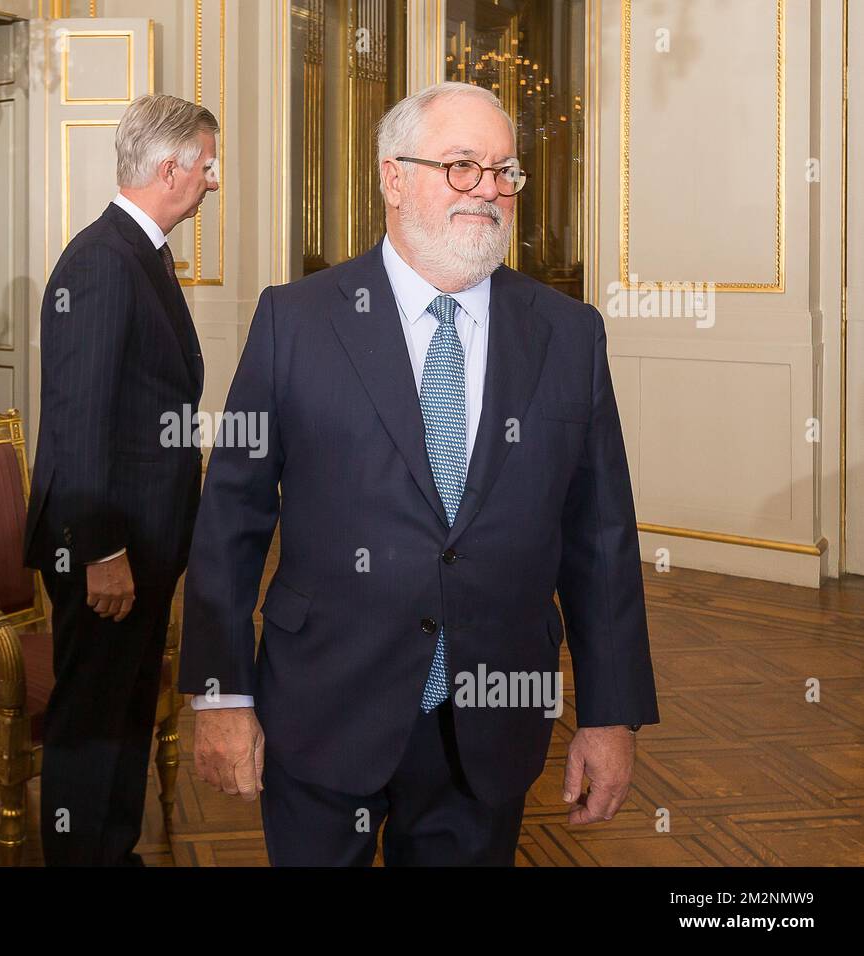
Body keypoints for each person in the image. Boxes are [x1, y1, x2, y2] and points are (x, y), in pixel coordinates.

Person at [180, 81, 659, 866]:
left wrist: (611, 717)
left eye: (505, 171)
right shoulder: (294, 321)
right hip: (321, 706)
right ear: (392, 177)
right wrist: (223, 696)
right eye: (463, 166)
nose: (491, 191)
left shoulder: (568, 335)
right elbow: (229, 525)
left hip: (488, 724)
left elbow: (600, 538)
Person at [24, 93, 219, 866]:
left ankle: (112, 851)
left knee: (128, 707)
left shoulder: (140, 253)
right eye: (207, 165)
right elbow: (77, 422)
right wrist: (101, 550)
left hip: (140, 542)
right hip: (105, 548)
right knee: (93, 718)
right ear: (171, 168)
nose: (213, 181)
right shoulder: (103, 262)